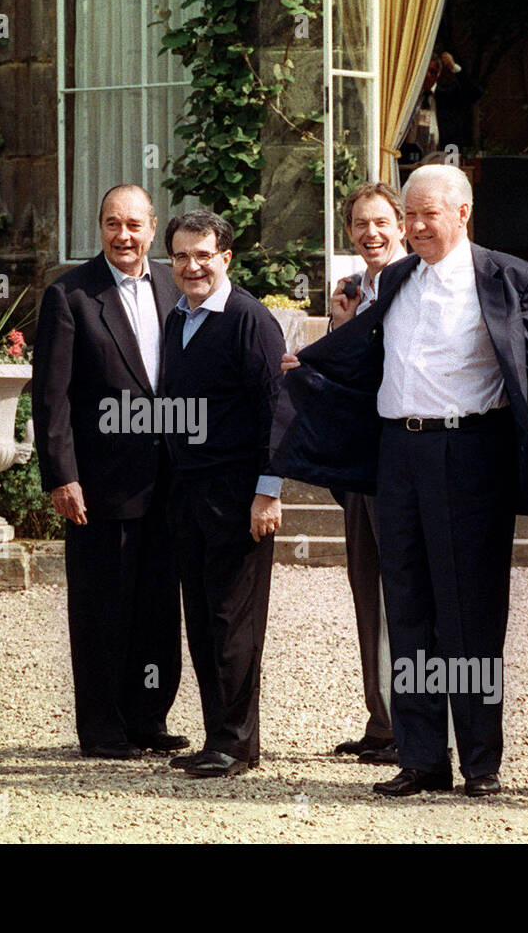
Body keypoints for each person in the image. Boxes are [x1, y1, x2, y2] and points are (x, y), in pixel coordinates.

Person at [272, 164, 528, 798]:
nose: (418, 226)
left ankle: (481, 765)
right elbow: (361, 355)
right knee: (407, 607)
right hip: (396, 454)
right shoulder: (396, 278)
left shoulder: (511, 278)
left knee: (472, 613)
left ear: (463, 211)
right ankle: (423, 757)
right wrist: (307, 364)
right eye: (412, 214)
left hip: (471, 454)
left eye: (430, 213)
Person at [32, 185, 186, 759]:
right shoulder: (70, 295)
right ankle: (101, 727)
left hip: (167, 482)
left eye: (135, 225)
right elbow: (52, 397)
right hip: (99, 484)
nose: (124, 236)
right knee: (102, 609)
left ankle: (148, 717)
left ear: (152, 229)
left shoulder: (174, 284)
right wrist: (61, 476)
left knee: (155, 607)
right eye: (112, 224)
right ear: (99, 228)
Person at [282, 182, 408, 765]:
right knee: (367, 588)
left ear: (402, 225)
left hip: (402, 464)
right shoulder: (362, 294)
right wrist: (340, 325)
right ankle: (381, 719)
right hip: (358, 466)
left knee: (403, 593)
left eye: (380, 221)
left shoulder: (412, 284)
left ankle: (411, 722)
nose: (370, 233)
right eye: (360, 223)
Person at [161, 209, 286, 778]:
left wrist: (268, 491)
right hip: (187, 495)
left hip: (239, 496)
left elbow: (275, 411)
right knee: (203, 620)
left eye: (203, 255)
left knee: (234, 621)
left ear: (225, 258)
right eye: (182, 256)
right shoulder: (176, 321)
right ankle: (218, 736)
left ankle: (237, 744)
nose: (192, 266)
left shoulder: (249, 320)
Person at [402, 51, 483, 160]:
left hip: (442, 156)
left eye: (432, 71)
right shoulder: (407, 97)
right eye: (424, 71)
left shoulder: (447, 95)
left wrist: (454, 67)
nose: (427, 75)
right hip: (409, 157)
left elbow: (475, 93)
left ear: (438, 74)